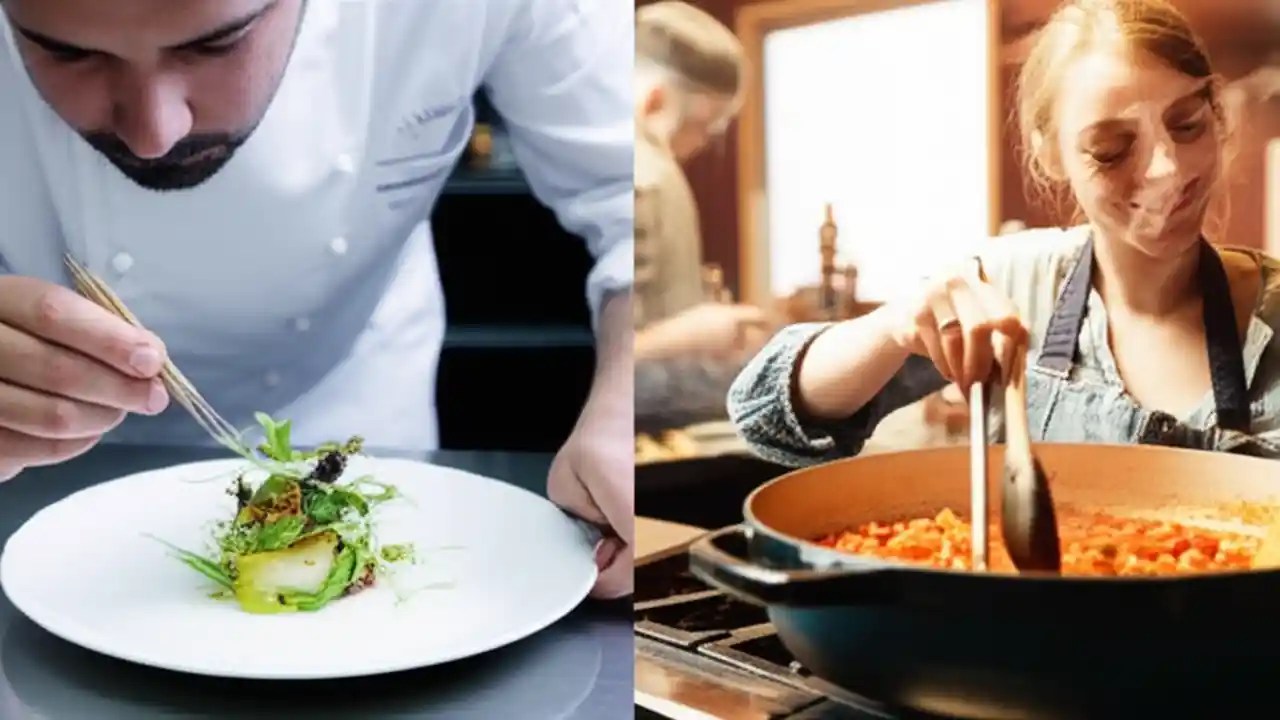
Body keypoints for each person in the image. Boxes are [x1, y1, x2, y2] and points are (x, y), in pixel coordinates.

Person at [0, 0, 633, 598]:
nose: (155, 134)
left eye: (217, 42)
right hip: (28, 463)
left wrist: (624, 406)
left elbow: (625, 196)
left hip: (362, 419)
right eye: (68, 53)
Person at [728, 0, 1280, 466]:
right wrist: (895, 325)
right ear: (1051, 154)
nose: (1166, 169)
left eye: (1187, 125)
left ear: (1218, 115)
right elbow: (765, 416)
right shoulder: (1008, 286)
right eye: (1111, 150)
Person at [633, 1, 769, 362]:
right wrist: (692, 334)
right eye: (701, 129)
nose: (698, 147)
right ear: (654, 102)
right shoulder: (643, 177)